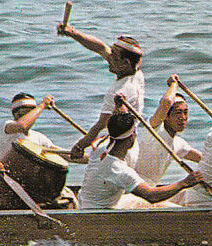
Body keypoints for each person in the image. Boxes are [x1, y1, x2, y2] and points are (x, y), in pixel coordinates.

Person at [56, 19, 146, 165]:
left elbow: (101, 125)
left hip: (116, 149)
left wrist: (80, 146)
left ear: (125, 63)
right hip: (128, 144)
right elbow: (100, 48)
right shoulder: (136, 73)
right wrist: (73, 33)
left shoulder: (119, 91)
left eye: (114, 56)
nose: (108, 57)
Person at [77, 109, 204, 209]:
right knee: (170, 206)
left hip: (86, 202)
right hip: (100, 213)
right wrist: (184, 183)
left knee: (175, 198)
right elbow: (151, 196)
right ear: (132, 137)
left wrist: (120, 107)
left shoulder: (100, 145)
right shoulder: (120, 170)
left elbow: (118, 121)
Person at [133, 75, 202, 186]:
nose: (183, 118)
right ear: (166, 116)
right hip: (134, 187)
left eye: (185, 112)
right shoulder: (153, 129)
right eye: (178, 113)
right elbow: (166, 103)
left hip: (151, 188)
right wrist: (173, 84)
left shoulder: (179, 144)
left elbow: (204, 160)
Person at [0, 92, 60, 161]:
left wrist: (72, 152)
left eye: (30, 114)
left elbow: (61, 153)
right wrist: (42, 105)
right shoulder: (6, 126)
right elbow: (22, 126)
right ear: (14, 114)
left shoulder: (39, 138)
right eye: (23, 115)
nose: (29, 119)